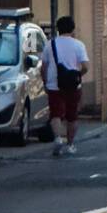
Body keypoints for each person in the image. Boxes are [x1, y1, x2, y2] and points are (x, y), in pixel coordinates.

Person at [40, 14, 89, 156]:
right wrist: (77, 75)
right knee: (72, 116)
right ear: (72, 29)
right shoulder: (78, 45)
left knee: (55, 114)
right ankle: (70, 144)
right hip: (73, 86)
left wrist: (45, 81)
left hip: (54, 85)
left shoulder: (50, 44)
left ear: (58, 29)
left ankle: (57, 138)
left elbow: (43, 67)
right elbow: (86, 66)